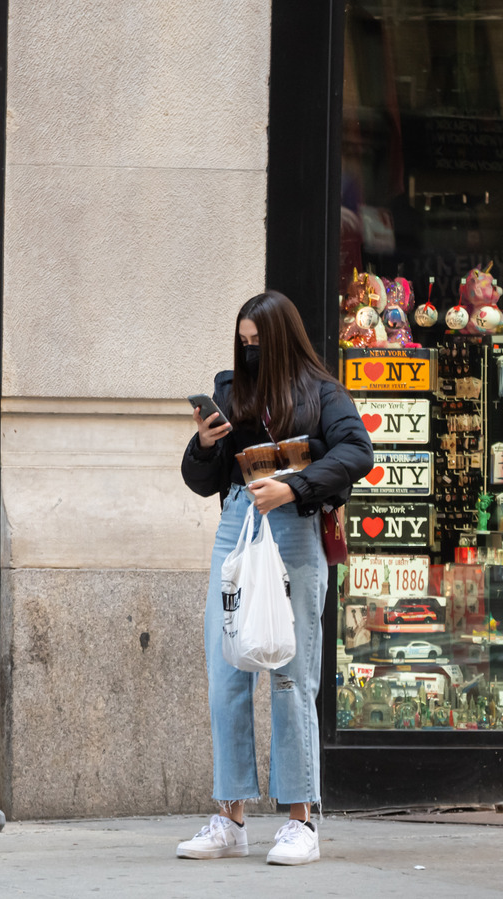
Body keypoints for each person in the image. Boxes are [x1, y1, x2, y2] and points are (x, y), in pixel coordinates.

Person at [178, 290, 372, 866]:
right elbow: (202, 479)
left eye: (259, 344)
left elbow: (357, 451)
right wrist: (204, 444)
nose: (250, 353)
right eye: (243, 345)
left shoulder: (323, 392)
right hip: (237, 524)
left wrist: (295, 483)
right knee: (227, 669)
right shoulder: (231, 391)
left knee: (291, 674)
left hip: (293, 527)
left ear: (282, 339)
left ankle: (300, 818)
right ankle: (229, 814)